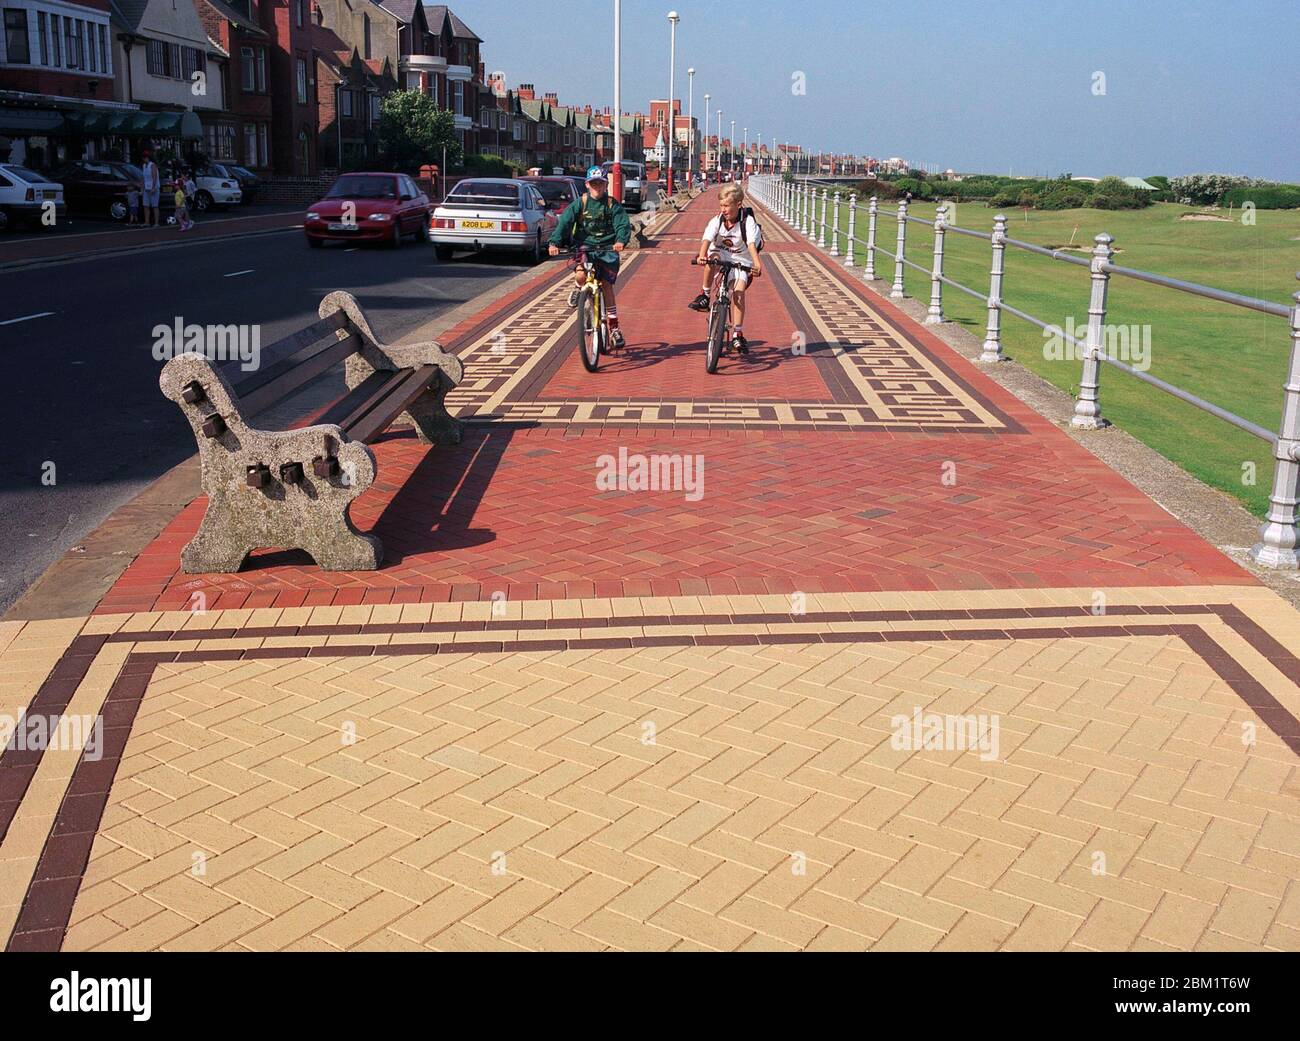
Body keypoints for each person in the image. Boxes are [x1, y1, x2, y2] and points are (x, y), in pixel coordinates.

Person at [548, 165, 633, 350]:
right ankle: (579, 289)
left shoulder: (612, 204)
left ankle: (614, 328)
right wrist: (554, 242)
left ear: (606, 185)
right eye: (594, 184)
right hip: (585, 246)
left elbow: (622, 225)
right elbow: (564, 222)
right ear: (587, 184)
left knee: (607, 285)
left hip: (607, 248)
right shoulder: (581, 203)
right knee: (580, 274)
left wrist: (621, 241)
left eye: (601, 184)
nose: (597, 187)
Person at [688, 182, 763, 354]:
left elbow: (751, 244)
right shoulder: (718, 220)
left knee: (738, 292)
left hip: (741, 259)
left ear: (738, 204)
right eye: (721, 205)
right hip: (721, 253)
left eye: (727, 205)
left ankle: (737, 333)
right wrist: (701, 255)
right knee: (711, 259)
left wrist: (757, 264)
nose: (723, 209)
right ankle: (705, 295)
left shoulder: (747, 222)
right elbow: (707, 237)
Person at [140, 149, 160, 228]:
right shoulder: (144, 166)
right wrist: (142, 188)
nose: (143, 160)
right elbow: (143, 177)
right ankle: (147, 222)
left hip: (153, 188)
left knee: (155, 206)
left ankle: (156, 222)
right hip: (146, 188)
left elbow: (154, 176)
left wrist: (153, 187)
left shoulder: (153, 165)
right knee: (146, 205)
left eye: (144, 158)